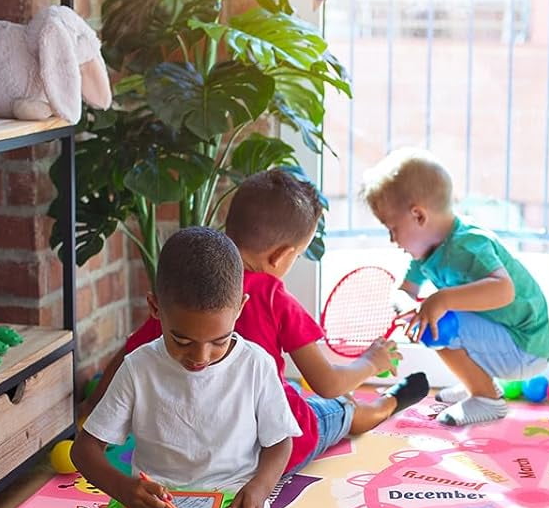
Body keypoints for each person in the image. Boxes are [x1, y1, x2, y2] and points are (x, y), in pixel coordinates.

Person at [52, 227, 297, 508]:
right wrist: (124, 488)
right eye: (181, 339)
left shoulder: (256, 366)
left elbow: (279, 445)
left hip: (227, 502)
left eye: (218, 340)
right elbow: (84, 450)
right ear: (155, 309)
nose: (199, 356)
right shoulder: (138, 367)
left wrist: (258, 489)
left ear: (240, 309)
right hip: (154, 499)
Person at [86, 169, 428, 472]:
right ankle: (387, 404)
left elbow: (128, 355)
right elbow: (328, 382)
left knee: (288, 389)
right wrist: (371, 362)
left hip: (205, 455)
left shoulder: (187, 297)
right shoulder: (273, 296)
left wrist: (89, 411)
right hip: (270, 450)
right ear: (281, 256)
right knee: (340, 408)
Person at [361, 148, 549, 426]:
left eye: (393, 228)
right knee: (434, 319)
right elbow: (405, 290)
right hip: (504, 340)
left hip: (525, 347)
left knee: (439, 324)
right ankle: (479, 383)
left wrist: (442, 300)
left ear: (418, 216)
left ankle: (486, 398)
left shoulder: (469, 244)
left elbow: (504, 290)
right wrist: (411, 308)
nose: (392, 239)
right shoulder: (426, 251)